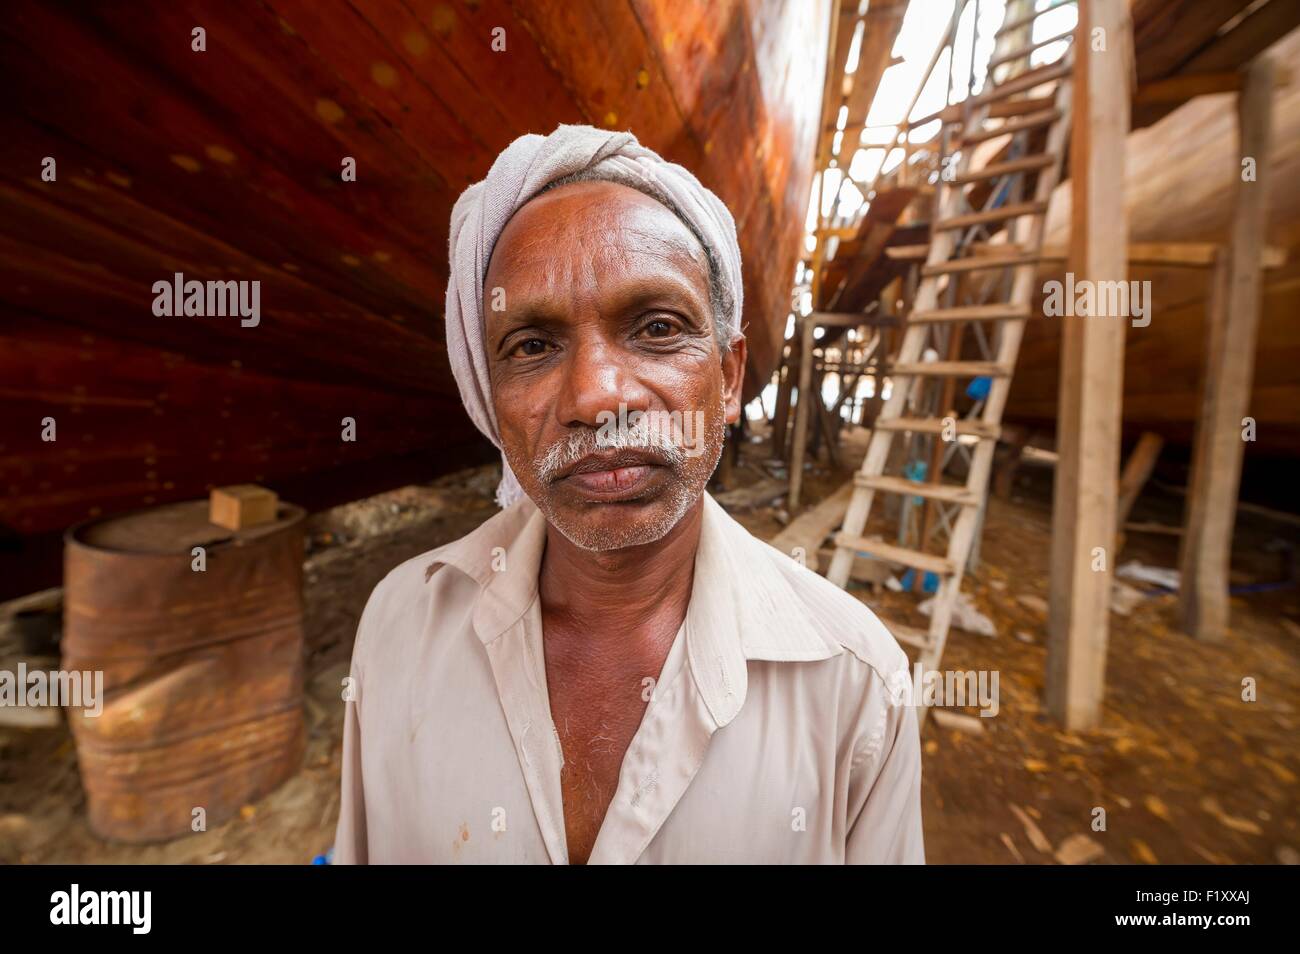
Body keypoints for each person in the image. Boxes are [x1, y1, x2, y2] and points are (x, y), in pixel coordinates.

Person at [333, 125, 923, 864]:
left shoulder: (855, 681)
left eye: (657, 327)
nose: (594, 395)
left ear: (730, 377)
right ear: (489, 394)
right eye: (533, 346)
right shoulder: (400, 625)